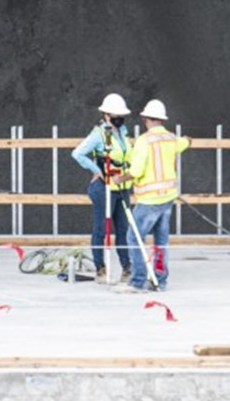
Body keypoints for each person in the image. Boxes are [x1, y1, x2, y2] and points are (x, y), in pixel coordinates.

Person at [118, 99, 190, 293]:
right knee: (161, 241)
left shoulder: (144, 141)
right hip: (167, 198)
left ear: (145, 119)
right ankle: (160, 280)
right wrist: (188, 139)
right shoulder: (171, 138)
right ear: (162, 119)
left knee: (134, 238)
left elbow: (136, 171)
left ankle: (138, 281)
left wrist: (119, 179)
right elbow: (184, 143)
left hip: (149, 200)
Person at [71, 93, 133, 282]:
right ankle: (100, 267)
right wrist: (96, 170)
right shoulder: (99, 134)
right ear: (106, 114)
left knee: (123, 229)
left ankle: (127, 267)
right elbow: (78, 153)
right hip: (104, 188)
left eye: (121, 115)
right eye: (115, 115)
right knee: (101, 229)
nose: (119, 118)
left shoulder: (123, 131)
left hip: (122, 187)